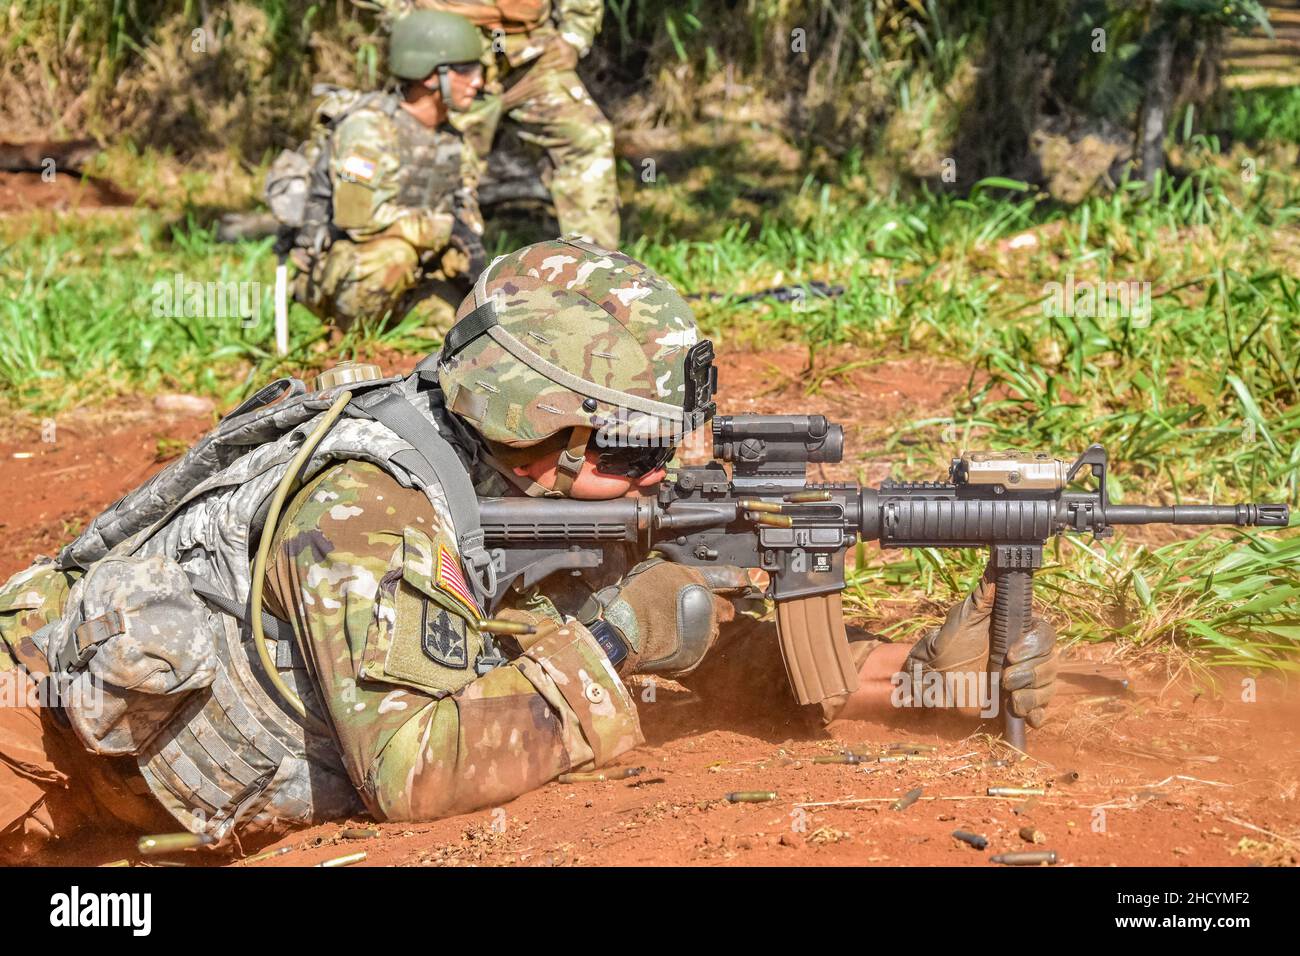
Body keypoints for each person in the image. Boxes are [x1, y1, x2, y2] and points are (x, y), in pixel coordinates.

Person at [0, 238, 1057, 861]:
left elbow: (704, 649)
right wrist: (615, 633)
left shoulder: (543, 485)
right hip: (42, 759)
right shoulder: (367, 508)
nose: (662, 471)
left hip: (167, 796)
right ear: (534, 420)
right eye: (637, 444)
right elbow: (411, 771)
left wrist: (918, 682)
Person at [267, 10, 489, 332]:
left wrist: (464, 250)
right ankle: (350, 338)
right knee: (393, 257)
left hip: (417, 275)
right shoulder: (369, 128)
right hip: (347, 269)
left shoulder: (453, 140)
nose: (478, 81)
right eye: (465, 70)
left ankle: (402, 341)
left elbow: (467, 215)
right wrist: (445, 230)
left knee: (467, 325)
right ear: (430, 76)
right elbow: (360, 220)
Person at [367, 0, 620, 250]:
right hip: (447, 49)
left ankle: (594, 270)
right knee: (439, 158)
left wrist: (574, 35)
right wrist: (408, 20)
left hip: (532, 53)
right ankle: (433, 268)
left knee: (586, 139)